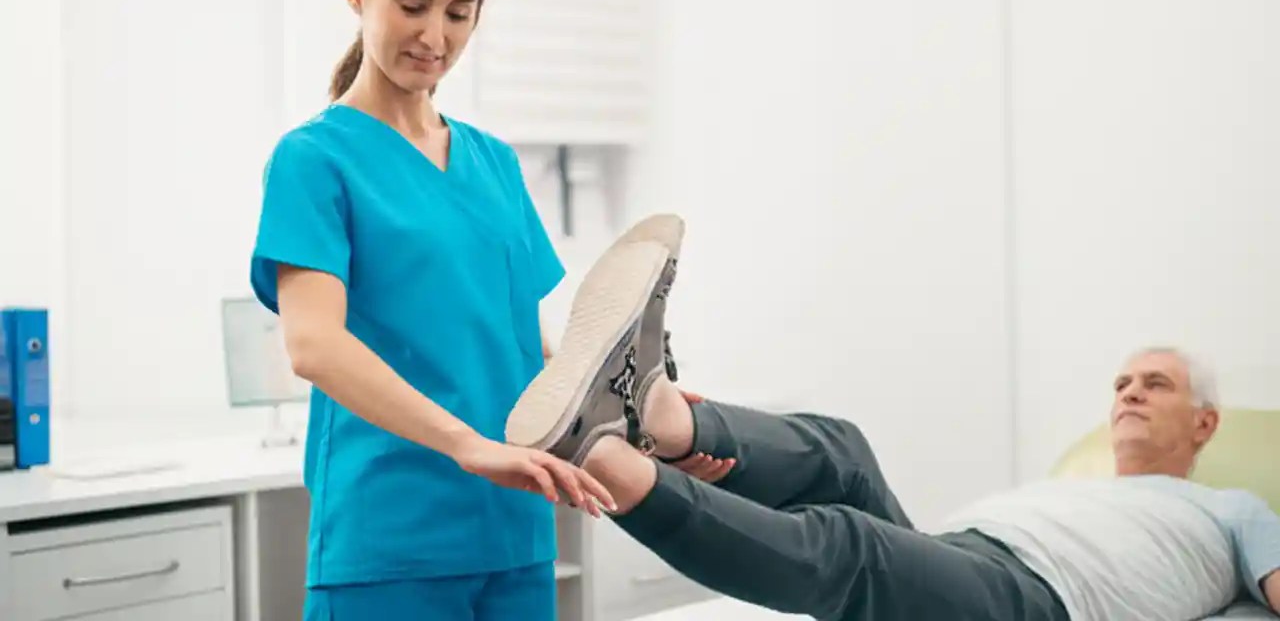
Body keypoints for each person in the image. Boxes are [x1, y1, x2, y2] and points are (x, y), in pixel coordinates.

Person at [505, 235, 1280, 621]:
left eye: (1156, 384)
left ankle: (599, 451)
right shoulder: (1077, 484)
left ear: (1207, 421)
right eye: (1121, 382)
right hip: (966, 557)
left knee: (852, 544)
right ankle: (659, 416)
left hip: (1041, 602)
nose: (1129, 394)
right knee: (841, 449)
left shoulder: (1234, 509)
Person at [248, 0, 619, 618]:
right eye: (412, 6)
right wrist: (467, 445)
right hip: (390, 540)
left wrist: (638, 419)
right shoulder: (314, 161)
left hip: (513, 530)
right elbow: (314, 345)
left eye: (459, 13)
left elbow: (526, 347)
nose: (434, 35)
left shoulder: (495, 162)